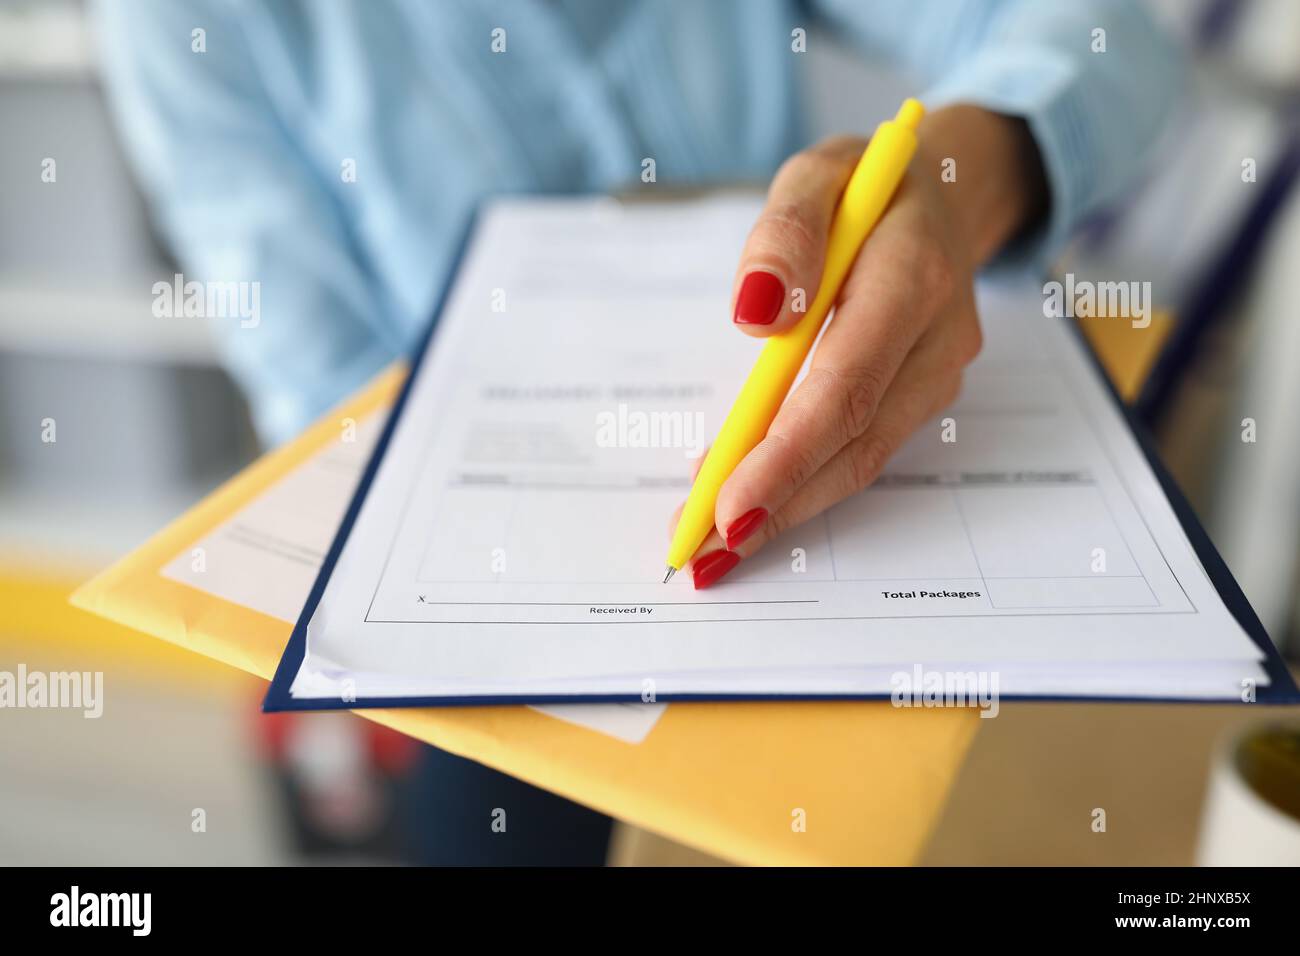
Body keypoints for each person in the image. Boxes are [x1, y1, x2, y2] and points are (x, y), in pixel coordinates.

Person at [95, 0, 1180, 863]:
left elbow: (1106, 34)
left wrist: (956, 174)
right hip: (494, 640)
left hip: (832, 556)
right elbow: (318, 384)